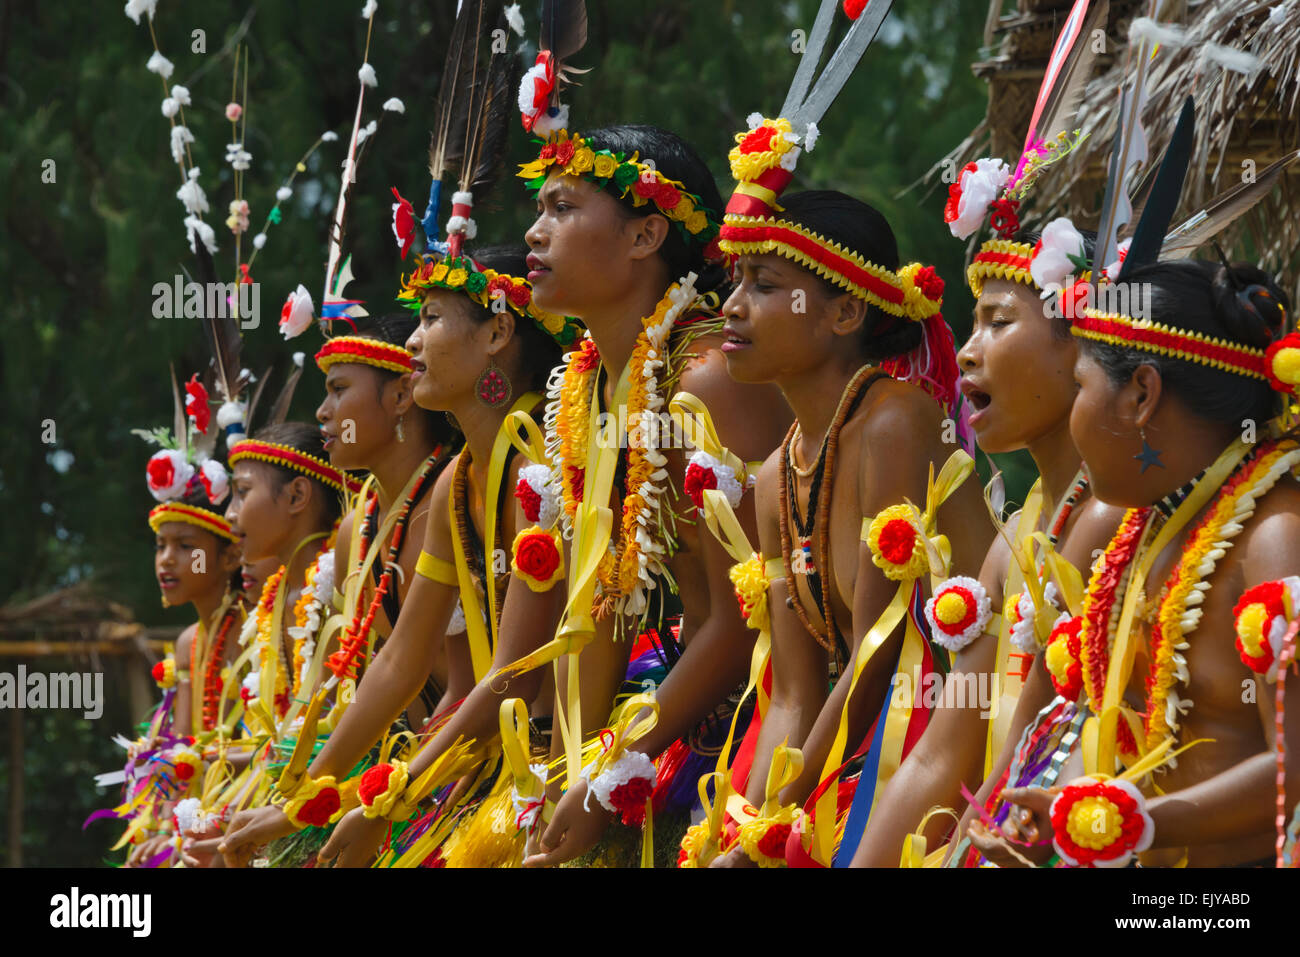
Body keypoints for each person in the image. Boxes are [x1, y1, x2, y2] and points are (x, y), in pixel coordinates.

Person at [214, 246, 570, 866]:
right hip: (478, 762)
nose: (414, 345)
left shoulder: (537, 466)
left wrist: (395, 799)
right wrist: (302, 798)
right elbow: (399, 662)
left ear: (499, 332)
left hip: (550, 770)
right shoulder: (461, 478)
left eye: (431, 319)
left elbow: (513, 673)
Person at [965, 255, 1300, 868]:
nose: (1072, 418)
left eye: (1080, 388)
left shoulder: (1276, 536)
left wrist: (1131, 822)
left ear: (1141, 394)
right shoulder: (1149, 525)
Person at [699, 175, 989, 867]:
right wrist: (746, 825)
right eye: (736, 282)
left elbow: (879, 652)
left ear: (843, 314)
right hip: (873, 736)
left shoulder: (895, 419)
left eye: (764, 284)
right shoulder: (774, 476)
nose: (732, 306)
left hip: (963, 725)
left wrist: (777, 823)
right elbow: (795, 693)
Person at [850, 221, 1124, 866]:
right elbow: (942, 753)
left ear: (1082, 346)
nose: (968, 352)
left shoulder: (1118, 522)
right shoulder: (1014, 541)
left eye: (998, 323)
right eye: (971, 327)